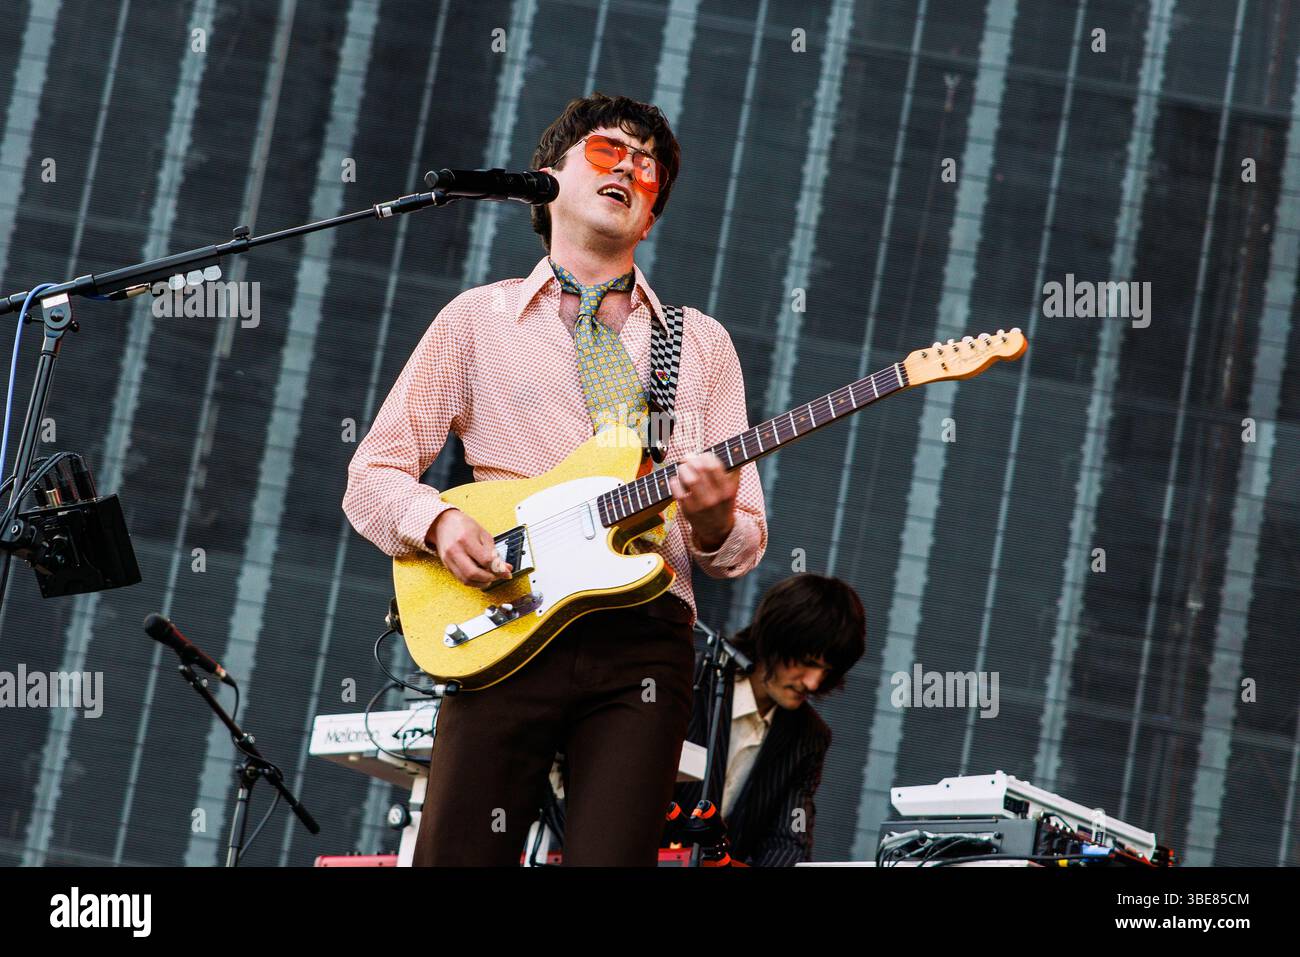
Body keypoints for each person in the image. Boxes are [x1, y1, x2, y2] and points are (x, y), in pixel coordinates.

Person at [342, 92, 767, 865]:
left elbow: (740, 545)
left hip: (641, 642)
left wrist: (712, 517)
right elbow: (371, 474)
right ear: (548, 179)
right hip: (507, 618)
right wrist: (438, 523)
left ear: (650, 216)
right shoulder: (477, 320)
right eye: (611, 153)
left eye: (650, 169)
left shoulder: (697, 345)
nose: (632, 170)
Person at [674, 573, 866, 866]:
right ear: (776, 638)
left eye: (827, 671)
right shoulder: (689, 681)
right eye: (808, 663)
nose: (814, 683)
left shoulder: (809, 737)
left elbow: (787, 841)